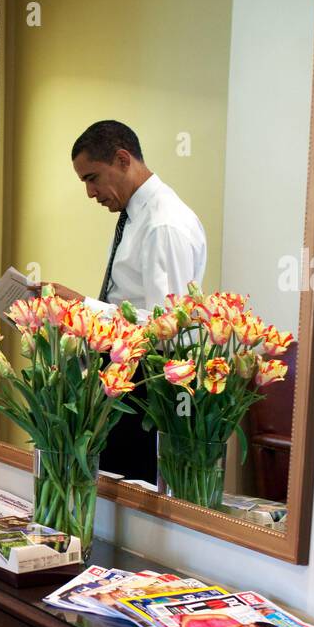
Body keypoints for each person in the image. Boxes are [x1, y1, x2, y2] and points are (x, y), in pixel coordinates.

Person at [38, 120, 208, 483]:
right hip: (125, 376)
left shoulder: (164, 224)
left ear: (122, 159)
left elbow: (168, 329)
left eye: (92, 178)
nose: (89, 192)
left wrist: (85, 306)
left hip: (148, 386)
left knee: (131, 486)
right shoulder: (135, 216)